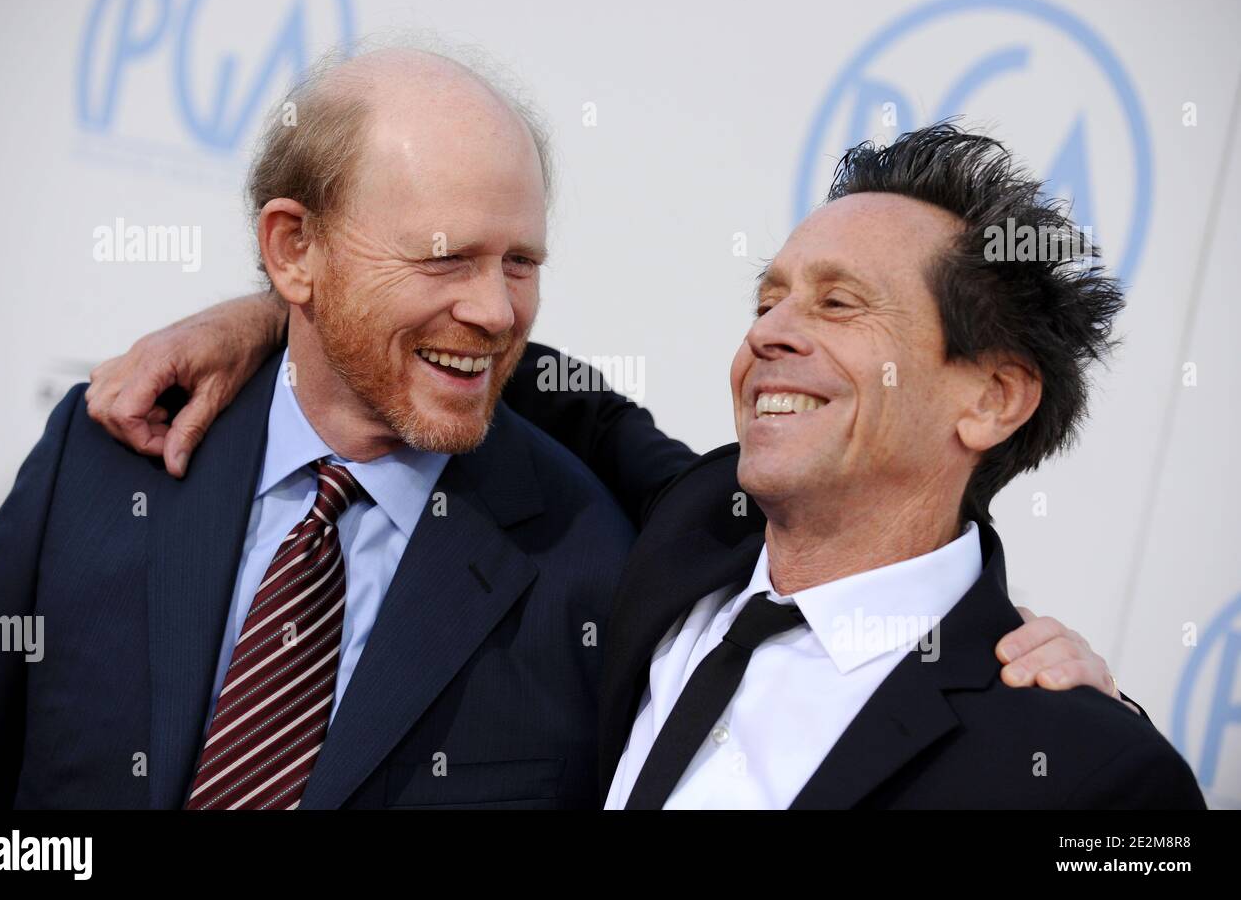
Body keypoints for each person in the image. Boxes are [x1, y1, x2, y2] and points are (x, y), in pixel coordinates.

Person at [81, 119, 1168, 803]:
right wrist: (273, 311)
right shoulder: (685, 524)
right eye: (766, 299)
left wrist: (1101, 745)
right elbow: (485, 357)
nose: (770, 335)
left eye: (838, 304)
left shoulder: (1078, 765)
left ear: (989, 396)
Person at [0, 47, 636, 809]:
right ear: (293, 249)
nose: (498, 313)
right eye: (447, 259)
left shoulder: (595, 570)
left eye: (519, 263)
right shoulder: (101, 457)